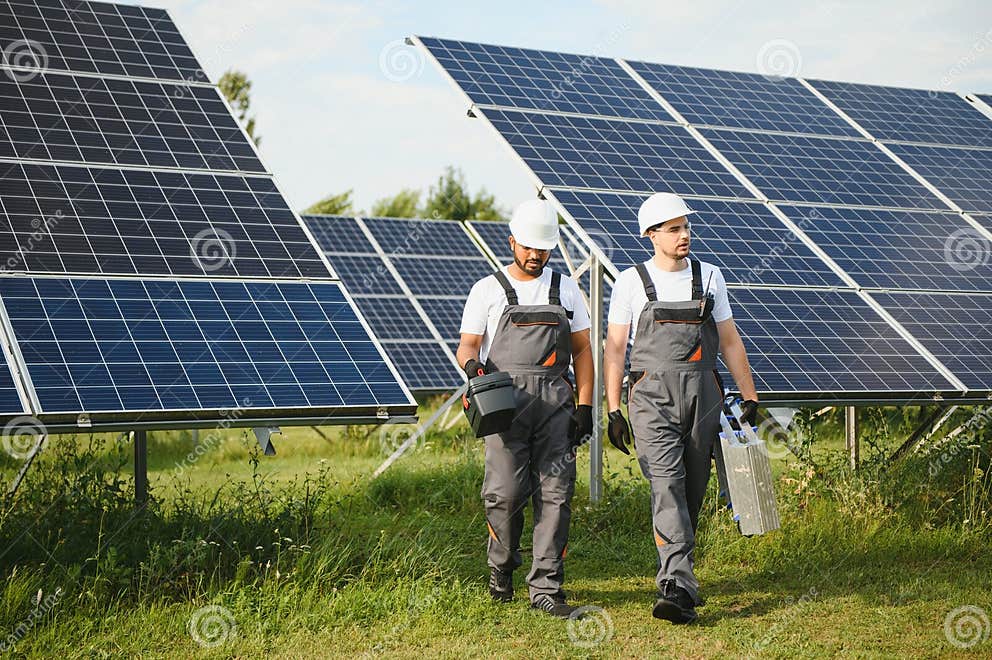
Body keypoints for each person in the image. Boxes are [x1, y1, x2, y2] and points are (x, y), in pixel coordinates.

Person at [603, 192, 758, 624]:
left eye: (686, 227)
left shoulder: (710, 277)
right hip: (651, 397)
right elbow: (615, 348)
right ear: (651, 236)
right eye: (674, 229)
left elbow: (728, 340)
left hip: (703, 394)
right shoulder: (631, 282)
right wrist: (614, 407)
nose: (684, 235)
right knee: (667, 485)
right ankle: (676, 587)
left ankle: (678, 576)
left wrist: (750, 395)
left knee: (692, 491)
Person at [457, 199, 594, 618]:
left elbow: (584, 349)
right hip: (504, 403)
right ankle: (501, 567)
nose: (536, 255)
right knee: (506, 494)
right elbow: (467, 344)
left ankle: (547, 588)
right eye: (530, 247)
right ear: (512, 240)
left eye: (544, 248)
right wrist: (473, 366)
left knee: (556, 495)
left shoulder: (566, 288)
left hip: (556, 405)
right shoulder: (487, 289)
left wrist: (586, 406)